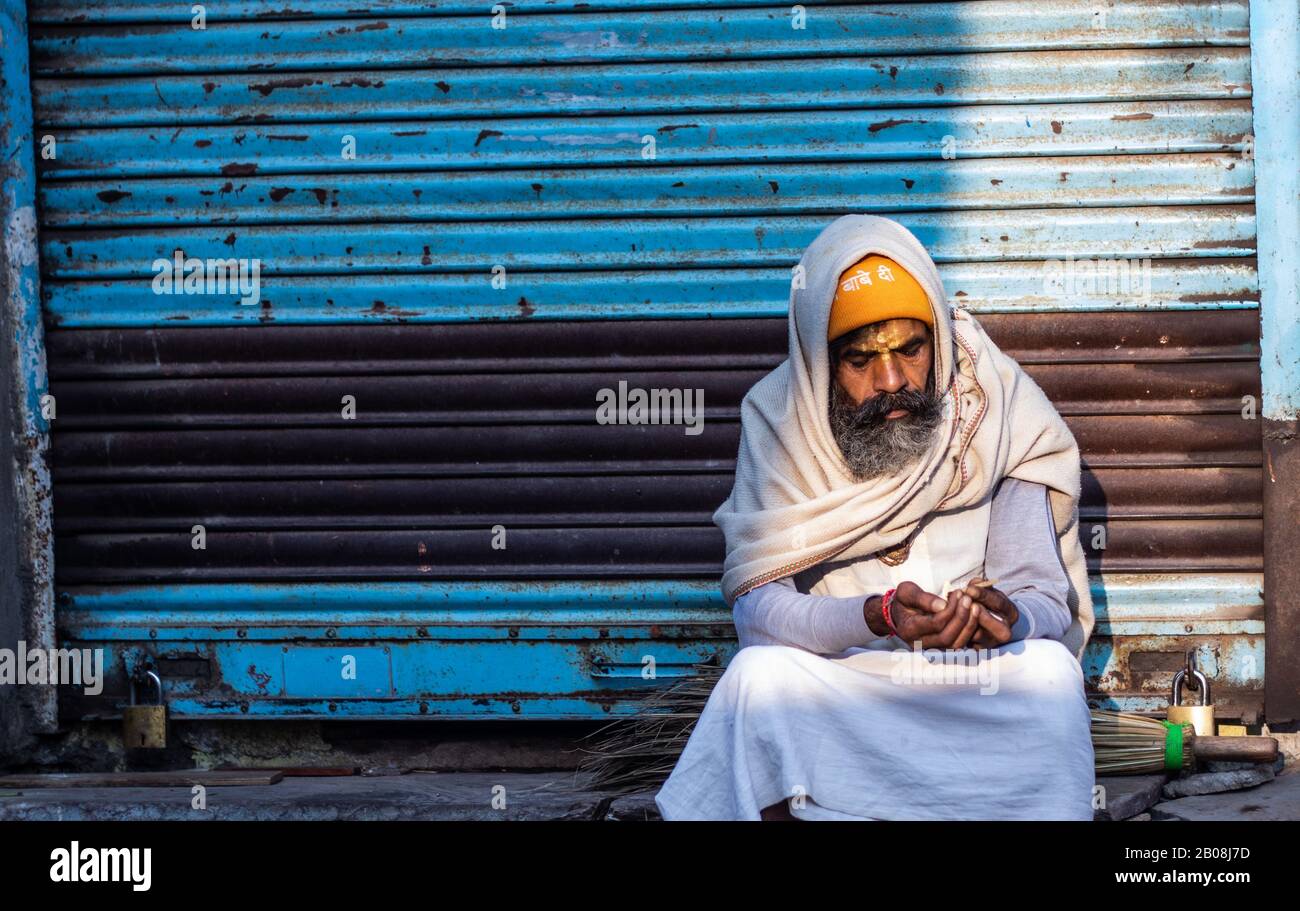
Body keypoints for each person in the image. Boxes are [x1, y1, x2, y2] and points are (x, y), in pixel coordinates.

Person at [654, 215, 1096, 821]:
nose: (892, 381)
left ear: (935, 338)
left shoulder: (996, 406)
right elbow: (757, 614)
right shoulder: (782, 422)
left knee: (1048, 675)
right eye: (861, 360)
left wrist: (1007, 618)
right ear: (820, 364)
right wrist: (875, 616)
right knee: (757, 677)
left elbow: (1044, 594)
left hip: (970, 684)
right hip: (846, 682)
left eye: (911, 350)